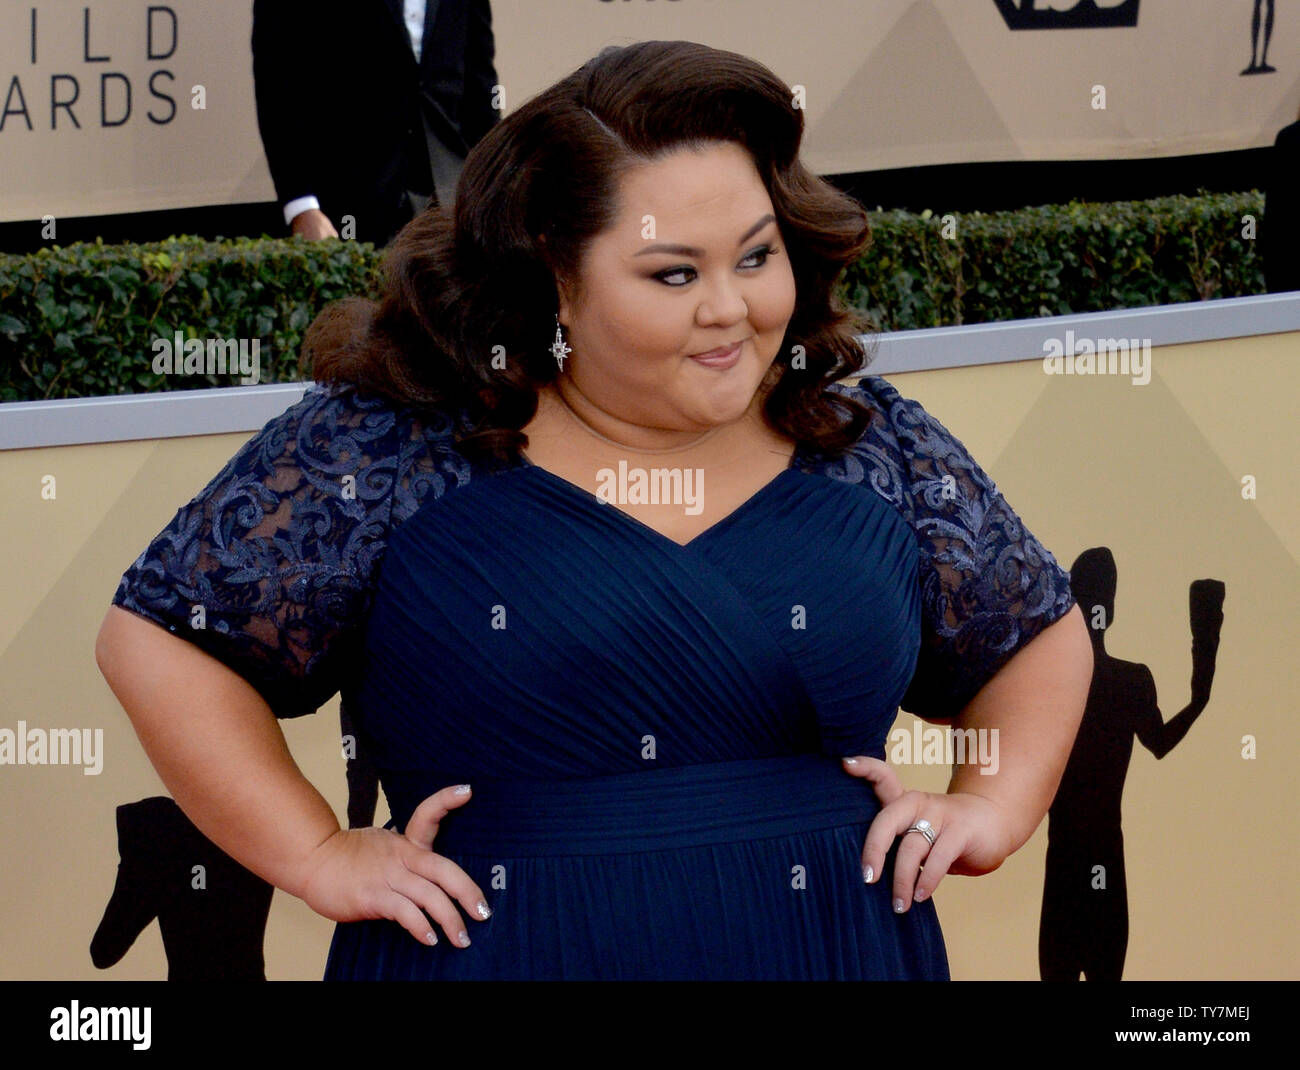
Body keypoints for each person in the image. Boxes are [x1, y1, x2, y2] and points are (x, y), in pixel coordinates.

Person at [96, 40, 1092, 980]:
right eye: (674, 273)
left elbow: (1037, 636)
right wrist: (314, 849)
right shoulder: (393, 442)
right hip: (499, 951)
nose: (730, 308)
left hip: (833, 940)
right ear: (555, 275)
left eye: (754, 256)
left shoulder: (871, 442)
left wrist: (991, 809)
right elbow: (159, 640)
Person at [251, 0, 499, 246]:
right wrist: (301, 205)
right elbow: (276, 88)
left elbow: (480, 86)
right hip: (344, 200)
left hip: (448, 197)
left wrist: (494, 188)